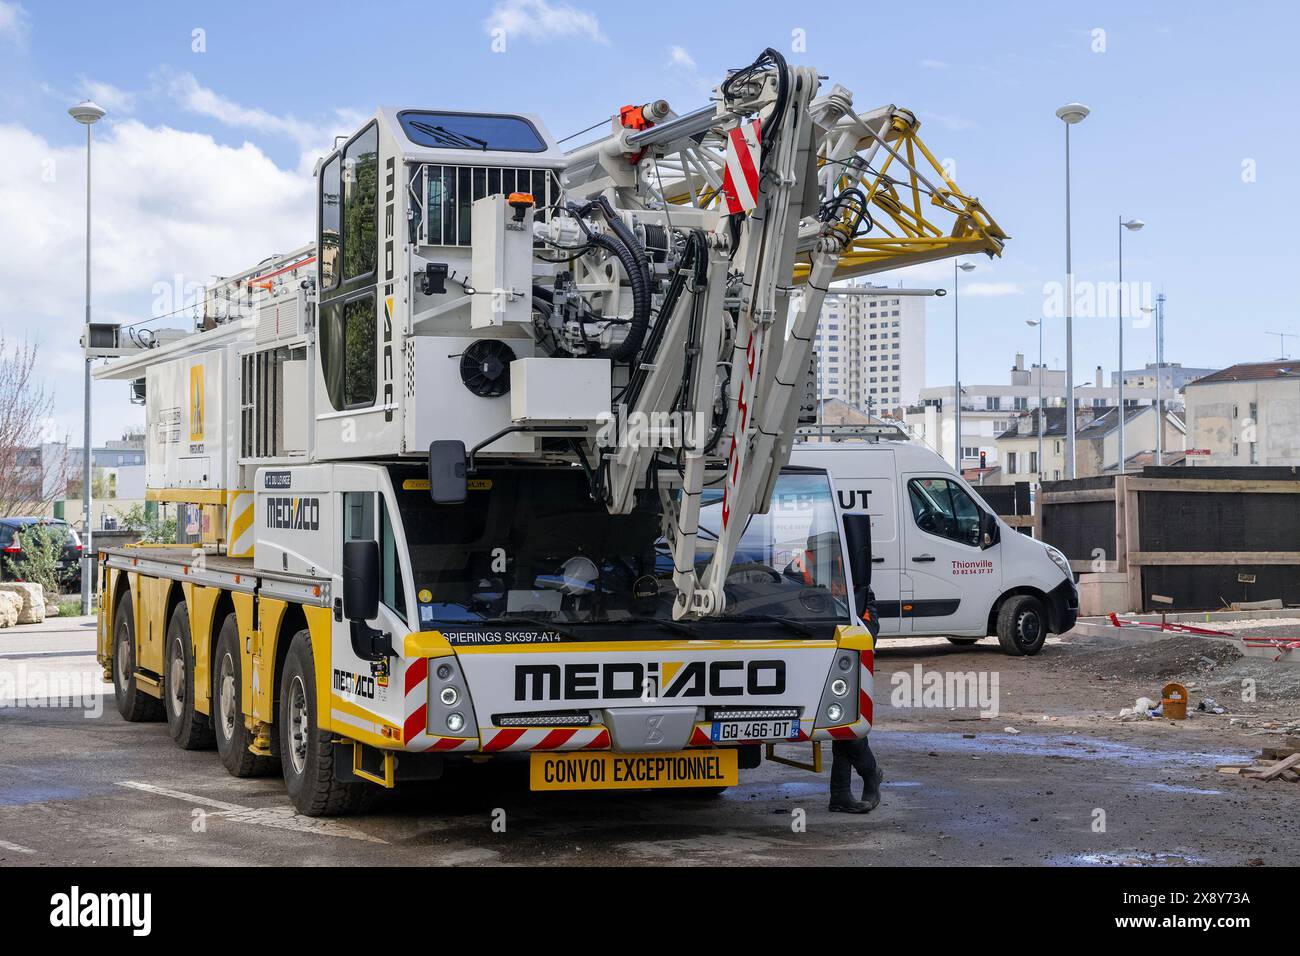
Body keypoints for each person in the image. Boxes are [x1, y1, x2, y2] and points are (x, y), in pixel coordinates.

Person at [829, 591, 884, 814]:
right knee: (839, 726)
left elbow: (869, 628)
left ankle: (865, 777)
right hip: (814, 650)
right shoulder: (799, 571)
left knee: (846, 724)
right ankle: (843, 791)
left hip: (847, 657)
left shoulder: (855, 582)